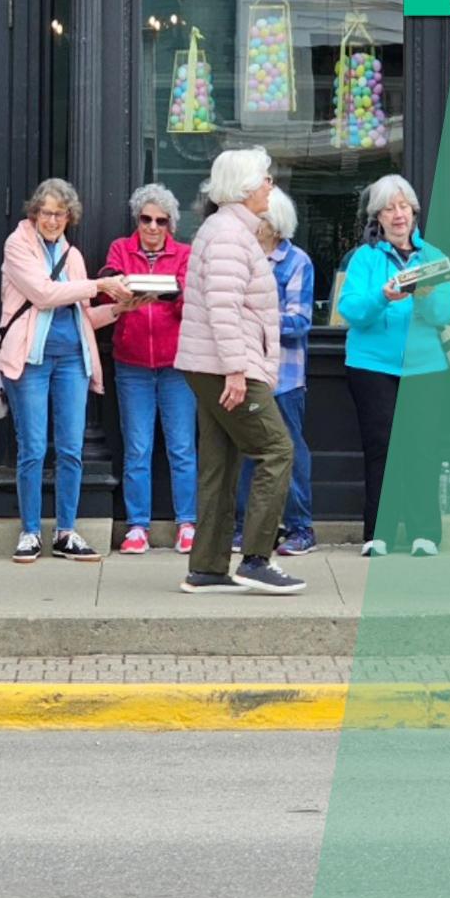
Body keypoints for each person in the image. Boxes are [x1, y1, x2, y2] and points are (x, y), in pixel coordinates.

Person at [176, 147, 303, 593]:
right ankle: (255, 560)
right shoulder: (231, 234)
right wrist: (236, 370)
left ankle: (208, 568)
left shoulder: (225, 229)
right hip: (230, 366)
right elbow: (223, 308)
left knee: (220, 464)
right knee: (277, 450)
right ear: (247, 187)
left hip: (212, 364)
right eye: (266, 178)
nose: (271, 185)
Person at [0, 178, 130, 563]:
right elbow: (43, 293)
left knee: (71, 449)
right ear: (33, 212)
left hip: (72, 359)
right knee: (33, 448)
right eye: (46, 212)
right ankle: (30, 532)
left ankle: (66, 531)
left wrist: (121, 308)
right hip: (30, 360)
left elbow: (83, 313)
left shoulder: (70, 254)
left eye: (60, 214)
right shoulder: (17, 244)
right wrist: (99, 283)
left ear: (70, 217)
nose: (52, 220)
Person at [339, 174, 450, 558]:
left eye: (404, 206)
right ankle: (378, 533)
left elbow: (447, 311)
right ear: (378, 217)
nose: (398, 215)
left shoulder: (435, 257)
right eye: (389, 208)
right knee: (381, 448)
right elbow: (352, 311)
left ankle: (425, 533)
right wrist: (382, 297)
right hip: (372, 365)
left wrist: (423, 297)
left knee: (423, 446)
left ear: (414, 212)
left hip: (424, 365)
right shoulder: (364, 258)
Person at [103, 183, 197, 555]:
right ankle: (137, 526)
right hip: (132, 364)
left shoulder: (186, 254)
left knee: (182, 448)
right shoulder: (120, 250)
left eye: (161, 220)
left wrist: (169, 294)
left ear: (171, 224)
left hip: (176, 365)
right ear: (137, 220)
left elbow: (191, 300)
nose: (153, 226)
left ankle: (187, 523)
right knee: (137, 448)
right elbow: (105, 288)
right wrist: (125, 290)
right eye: (146, 219)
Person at [234, 188, 318, 555]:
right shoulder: (242, 258)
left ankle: (301, 528)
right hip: (247, 372)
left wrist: (253, 319)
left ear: (275, 224)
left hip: (285, 378)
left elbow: (299, 321)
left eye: (260, 219)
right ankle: (247, 529)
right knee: (248, 452)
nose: (253, 225)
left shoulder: (296, 262)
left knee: (290, 452)